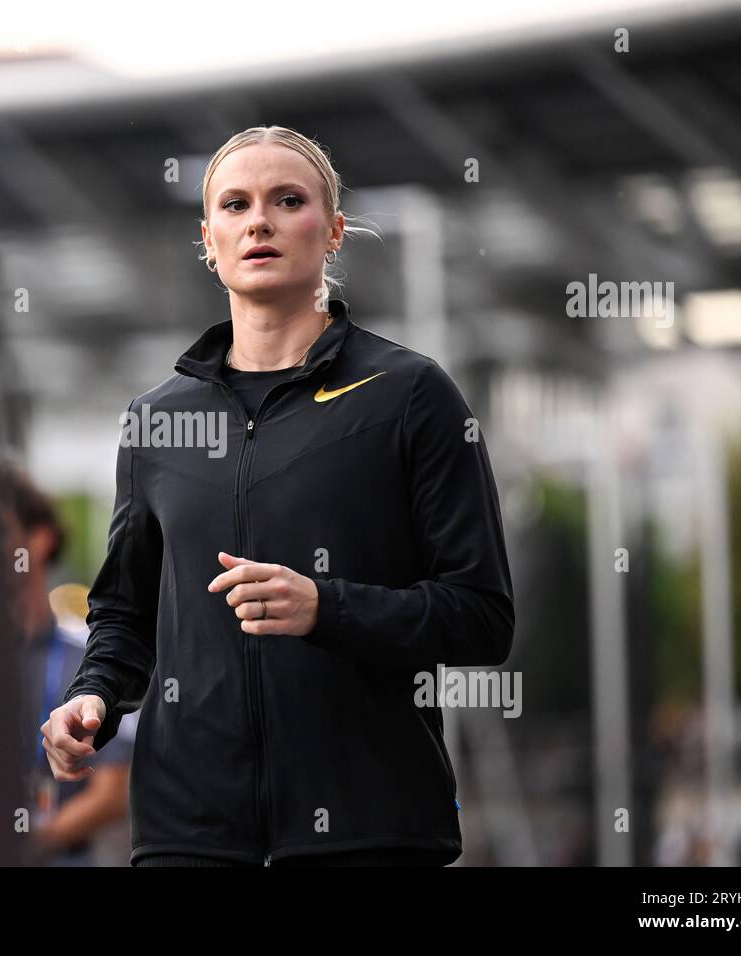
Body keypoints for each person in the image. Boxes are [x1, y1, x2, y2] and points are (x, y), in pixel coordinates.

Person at [40, 126, 515, 867]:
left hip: (368, 829)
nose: (258, 220)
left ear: (332, 232)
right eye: (236, 204)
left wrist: (326, 608)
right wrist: (92, 698)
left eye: (287, 200)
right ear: (210, 239)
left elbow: (483, 618)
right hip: (186, 836)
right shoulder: (157, 419)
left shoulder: (410, 395)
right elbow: (124, 615)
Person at [0, 461, 136, 866]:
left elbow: (112, 791)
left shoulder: (91, 655)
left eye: (1, 532)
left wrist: (30, 844)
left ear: (40, 539)